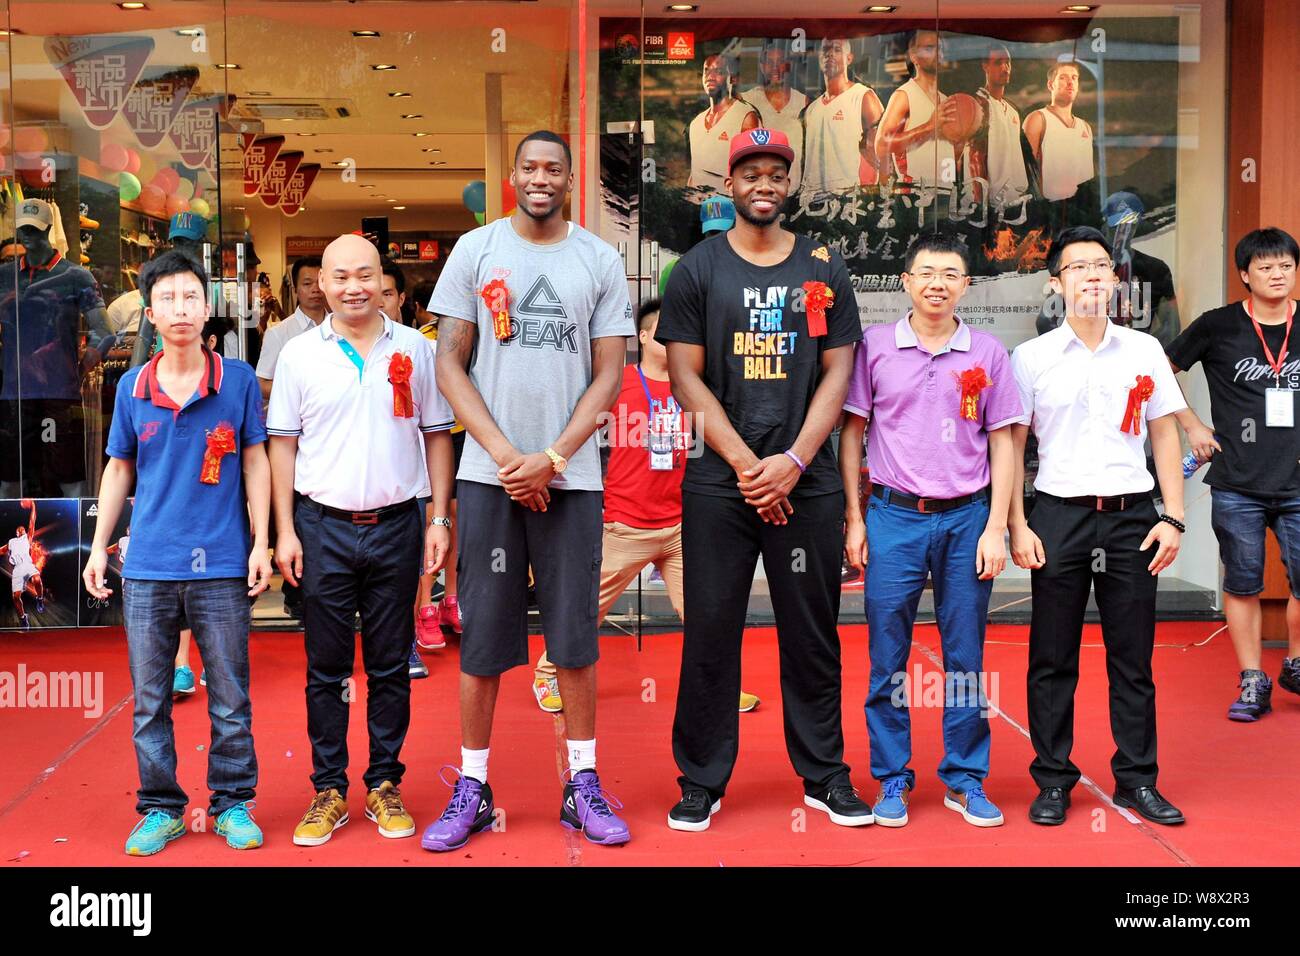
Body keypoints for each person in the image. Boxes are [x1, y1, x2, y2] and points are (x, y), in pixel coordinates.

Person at [657, 127, 872, 832]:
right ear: (731, 184)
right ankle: (701, 779)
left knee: (812, 632)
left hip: (804, 483)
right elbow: (684, 372)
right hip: (722, 486)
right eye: (751, 172)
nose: (764, 183)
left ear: (789, 185)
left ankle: (825, 775)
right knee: (711, 629)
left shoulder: (823, 264)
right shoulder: (697, 269)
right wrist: (749, 465)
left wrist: (794, 462)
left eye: (776, 172)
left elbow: (840, 371)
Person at [427, 129, 635, 850]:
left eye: (554, 168)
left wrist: (551, 456)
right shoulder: (475, 251)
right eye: (529, 167)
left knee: (574, 637)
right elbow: (449, 365)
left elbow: (609, 373)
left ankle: (582, 785)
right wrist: (508, 457)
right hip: (488, 479)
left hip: (572, 479)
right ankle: (473, 786)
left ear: (570, 178)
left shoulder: (598, 259)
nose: (541, 177)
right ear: (512, 176)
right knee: (482, 638)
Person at [82, 250, 272, 856]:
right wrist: (96, 548)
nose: (180, 308)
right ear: (151, 311)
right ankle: (161, 806)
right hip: (147, 568)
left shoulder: (236, 379)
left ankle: (232, 803)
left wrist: (261, 542)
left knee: (231, 696)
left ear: (207, 305)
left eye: (190, 295)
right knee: (149, 700)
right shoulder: (133, 388)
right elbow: (119, 469)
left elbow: (256, 462)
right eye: (167, 298)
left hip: (220, 562)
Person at [268, 234, 455, 846]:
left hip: (398, 524)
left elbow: (435, 436)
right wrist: (285, 530)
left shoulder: (416, 351)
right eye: (341, 276)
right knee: (324, 668)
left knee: (389, 664)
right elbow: (283, 447)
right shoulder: (299, 355)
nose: (354, 287)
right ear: (321, 283)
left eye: (366, 276)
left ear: (384, 282)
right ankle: (327, 790)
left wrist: (438, 519)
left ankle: (383, 784)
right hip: (321, 527)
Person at [840, 232, 1022, 828]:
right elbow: (852, 432)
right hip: (893, 516)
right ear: (906, 282)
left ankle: (965, 778)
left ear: (966, 285)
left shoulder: (987, 352)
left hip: (967, 518)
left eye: (950, 274)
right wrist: (855, 515)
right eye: (926, 273)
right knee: (886, 655)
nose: (937, 283)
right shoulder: (875, 347)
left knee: (965, 655)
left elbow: (1003, 441)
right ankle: (892, 777)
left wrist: (997, 526)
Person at [1009, 226, 1187, 827]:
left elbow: (1165, 433)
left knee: (1132, 656)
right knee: (1052, 656)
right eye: (1077, 267)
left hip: (1133, 517)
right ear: (1055, 282)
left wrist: (1175, 518)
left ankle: (1138, 778)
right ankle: (1053, 779)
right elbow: (1010, 445)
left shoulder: (1142, 351)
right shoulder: (1030, 358)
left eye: (1101, 266)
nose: (1091, 275)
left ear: (1116, 280)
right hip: (1058, 516)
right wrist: (1017, 523)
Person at [529, 299, 761, 715]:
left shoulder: (695, 387)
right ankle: (548, 674)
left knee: (706, 613)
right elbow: (578, 434)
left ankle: (723, 686)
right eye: (663, 332)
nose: (674, 339)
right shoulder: (619, 384)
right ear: (642, 336)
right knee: (587, 610)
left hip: (682, 526)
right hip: (625, 524)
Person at [1165, 227, 1300, 720]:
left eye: (1285, 265)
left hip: (1298, 479)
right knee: (1243, 583)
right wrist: (1193, 425)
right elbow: (1161, 372)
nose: (1277, 273)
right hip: (1238, 481)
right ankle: (1251, 679)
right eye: (1265, 267)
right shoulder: (1217, 326)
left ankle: (1295, 662)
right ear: (1245, 275)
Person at [0, 198, 113, 498]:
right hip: (15, 391)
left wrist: (83, 364)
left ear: (48, 228)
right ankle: (6, 538)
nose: (28, 235)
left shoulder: (75, 276)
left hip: (57, 392)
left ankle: (78, 538)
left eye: (34, 230)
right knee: (11, 474)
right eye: (23, 228)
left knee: (66, 471)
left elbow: (105, 332)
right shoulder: (5, 276)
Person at [255, 256, 326, 624]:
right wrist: (299, 389)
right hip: (290, 437)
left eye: (319, 281)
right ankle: (297, 594)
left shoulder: (343, 327)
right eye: (306, 283)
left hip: (328, 441)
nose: (314, 290)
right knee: (295, 514)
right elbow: (262, 381)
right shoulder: (280, 333)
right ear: (295, 289)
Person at [875, 29, 958, 189]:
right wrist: (929, 126)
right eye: (929, 48)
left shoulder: (946, 100)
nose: (937, 53)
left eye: (939, 48)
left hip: (946, 191)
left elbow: (948, 155)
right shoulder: (904, 95)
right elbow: (882, 144)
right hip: (914, 194)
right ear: (913, 56)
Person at [801, 37, 884, 195]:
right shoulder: (811, 109)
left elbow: (883, 153)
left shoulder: (863, 97)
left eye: (837, 50)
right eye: (825, 50)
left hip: (848, 200)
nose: (830, 55)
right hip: (811, 202)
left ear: (849, 58)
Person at [966, 43, 1030, 208]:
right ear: (985, 66)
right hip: (991, 204)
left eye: (1008, 62)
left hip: (1015, 201)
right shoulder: (978, 105)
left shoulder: (1013, 111)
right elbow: (975, 156)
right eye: (998, 63)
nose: (1005, 67)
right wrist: (980, 205)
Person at [687, 54, 759, 199]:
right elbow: (694, 174)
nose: (710, 76)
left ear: (732, 78)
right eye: (706, 70)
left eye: (718, 72)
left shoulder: (745, 117)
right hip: (697, 208)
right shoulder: (696, 123)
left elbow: (753, 173)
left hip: (728, 209)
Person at [740, 41, 808, 194]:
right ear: (762, 66)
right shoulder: (747, 100)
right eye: (769, 62)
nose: (775, 67)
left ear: (788, 65)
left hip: (795, 192)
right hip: (759, 191)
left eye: (780, 62)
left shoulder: (803, 102)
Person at [1023, 60, 1094, 203]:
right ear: (1050, 85)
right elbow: (1023, 171)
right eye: (1063, 77)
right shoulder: (1037, 119)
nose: (1070, 82)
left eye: (1074, 78)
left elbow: (1088, 176)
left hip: (1080, 211)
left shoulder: (1085, 127)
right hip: (1050, 211)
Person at [2, 500, 45, 629]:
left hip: (27, 564)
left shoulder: (27, 537)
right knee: (16, 597)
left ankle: (40, 598)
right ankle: (23, 618)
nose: (21, 529)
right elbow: (1, 551)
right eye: (19, 529)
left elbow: (32, 521)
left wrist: (33, 505)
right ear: (16, 533)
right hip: (17, 569)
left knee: (37, 578)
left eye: (23, 528)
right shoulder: (11, 542)